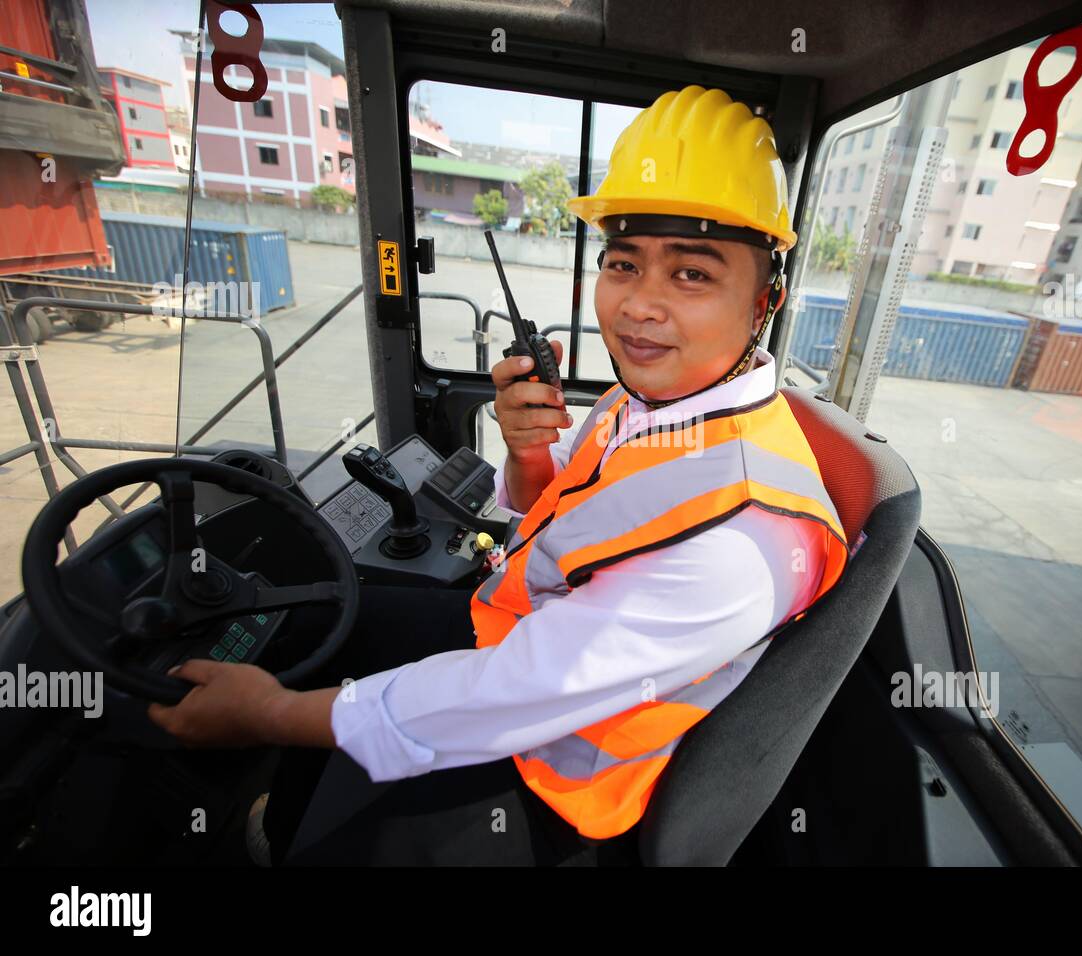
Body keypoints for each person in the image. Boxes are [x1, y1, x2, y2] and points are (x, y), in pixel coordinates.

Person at [146, 84, 849, 865]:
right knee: (331, 619)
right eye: (623, 263)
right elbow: (559, 522)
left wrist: (269, 717)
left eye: (692, 274)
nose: (639, 306)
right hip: (516, 631)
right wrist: (525, 454)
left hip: (561, 770)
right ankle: (286, 815)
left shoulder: (742, 539)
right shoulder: (653, 399)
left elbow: (514, 694)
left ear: (766, 300)